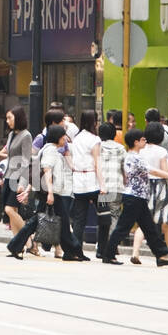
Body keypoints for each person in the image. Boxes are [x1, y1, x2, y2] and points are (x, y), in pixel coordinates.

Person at [100, 128, 168, 266]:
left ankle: (161, 254)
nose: (145, 141)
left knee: (149, 227)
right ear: (136, 142)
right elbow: (153, 171)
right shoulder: (135, 157)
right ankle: (108, 254)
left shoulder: (130, 156)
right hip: (134, 197)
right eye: (143, 139)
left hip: (137, 196)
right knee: (123, 227)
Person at [6, 123, 80, 260]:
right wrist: (51, 193)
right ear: (57, 138)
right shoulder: (50, 151)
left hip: (49, 192)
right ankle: (73, 250)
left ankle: (15, 245)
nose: (65, 140)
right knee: (60, 221)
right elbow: (46, 171)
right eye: (63, 137)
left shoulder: (49, 149)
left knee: (36, 222)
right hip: (50, 193)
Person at [133, 122, 168, 265]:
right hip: (160, 189)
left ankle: (135, 253)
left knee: (143, 223)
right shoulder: (161, 151)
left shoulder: (141, 150)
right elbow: (164, 173)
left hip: (144, 187)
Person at [67, 109, 103, 257]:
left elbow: (70, 157)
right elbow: (97, 163)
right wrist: (103, 185)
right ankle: (103, 250)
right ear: (94, 122)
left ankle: (76, 251)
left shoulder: (77, 138)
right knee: (103, 216)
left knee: (79, 219)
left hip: (78, 182)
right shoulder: (94, 140)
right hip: (92, 181)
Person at [0, 107, 32, 234]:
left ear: (18, 118)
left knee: (9, 210)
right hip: (8, 176)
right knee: (12, 213)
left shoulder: (26, 135)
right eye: (6, 118)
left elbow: (25, 161)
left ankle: (28, 239)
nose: (7, 121)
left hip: (17, 178)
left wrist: (22, 183)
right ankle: (17, 245)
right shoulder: (12, 134)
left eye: (9, 118)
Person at [96, 121, 126, 260]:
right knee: (114, 216)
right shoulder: (120, 148)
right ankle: (111, 246)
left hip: (102, 186)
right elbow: (125, 169)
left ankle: (100, 246)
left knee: (103, 217)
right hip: (116, 186)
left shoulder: (98, 147)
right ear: (114, 134)